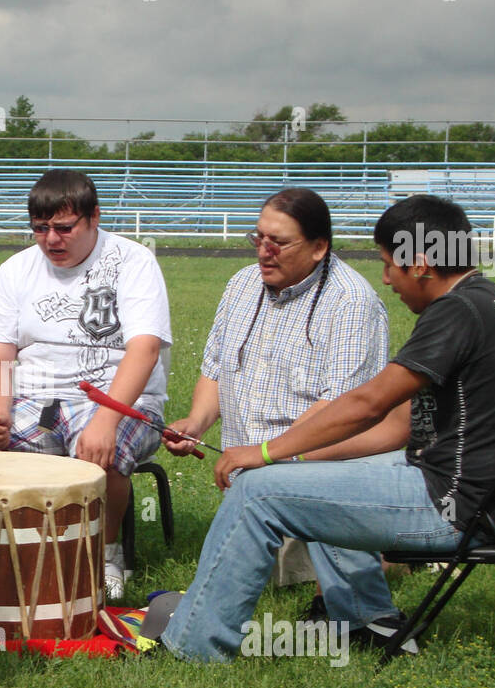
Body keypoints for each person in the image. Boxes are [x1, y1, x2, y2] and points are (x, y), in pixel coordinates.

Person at [158, 194, 495, 663]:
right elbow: (400, 424)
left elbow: (367, 405)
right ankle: (365, 619)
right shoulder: (488, 300)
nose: (385, 280)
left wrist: (263, 455)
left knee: (257, 492)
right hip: (494, 503)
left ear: (421, 263)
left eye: (389, 265)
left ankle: (192, 647)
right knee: (300, 479)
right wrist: (298, 462)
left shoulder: (454, 314)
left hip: (455, 507)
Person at [161, 187, 408, 629]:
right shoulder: (240, 284)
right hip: (249, 469)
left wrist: (268, 455)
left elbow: (342, 410)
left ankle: (376, 563)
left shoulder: (352, 302)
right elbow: (216, 369)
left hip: (310, 465)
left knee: (270, 570)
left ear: (319, 248)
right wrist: (196, 423)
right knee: (263, 570)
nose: (265, 252)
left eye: (279, 242)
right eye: (258, 239)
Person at [0, 169, 172, 598]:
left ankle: (107, 553)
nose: (51, 240)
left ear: (94, 217)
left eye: (64, 228)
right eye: (40, 229)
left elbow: (144, 351)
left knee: (103, 449)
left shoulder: (133, 261)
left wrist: (106, 419)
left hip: (116, 398)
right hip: (35, 399)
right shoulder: (16, 269)